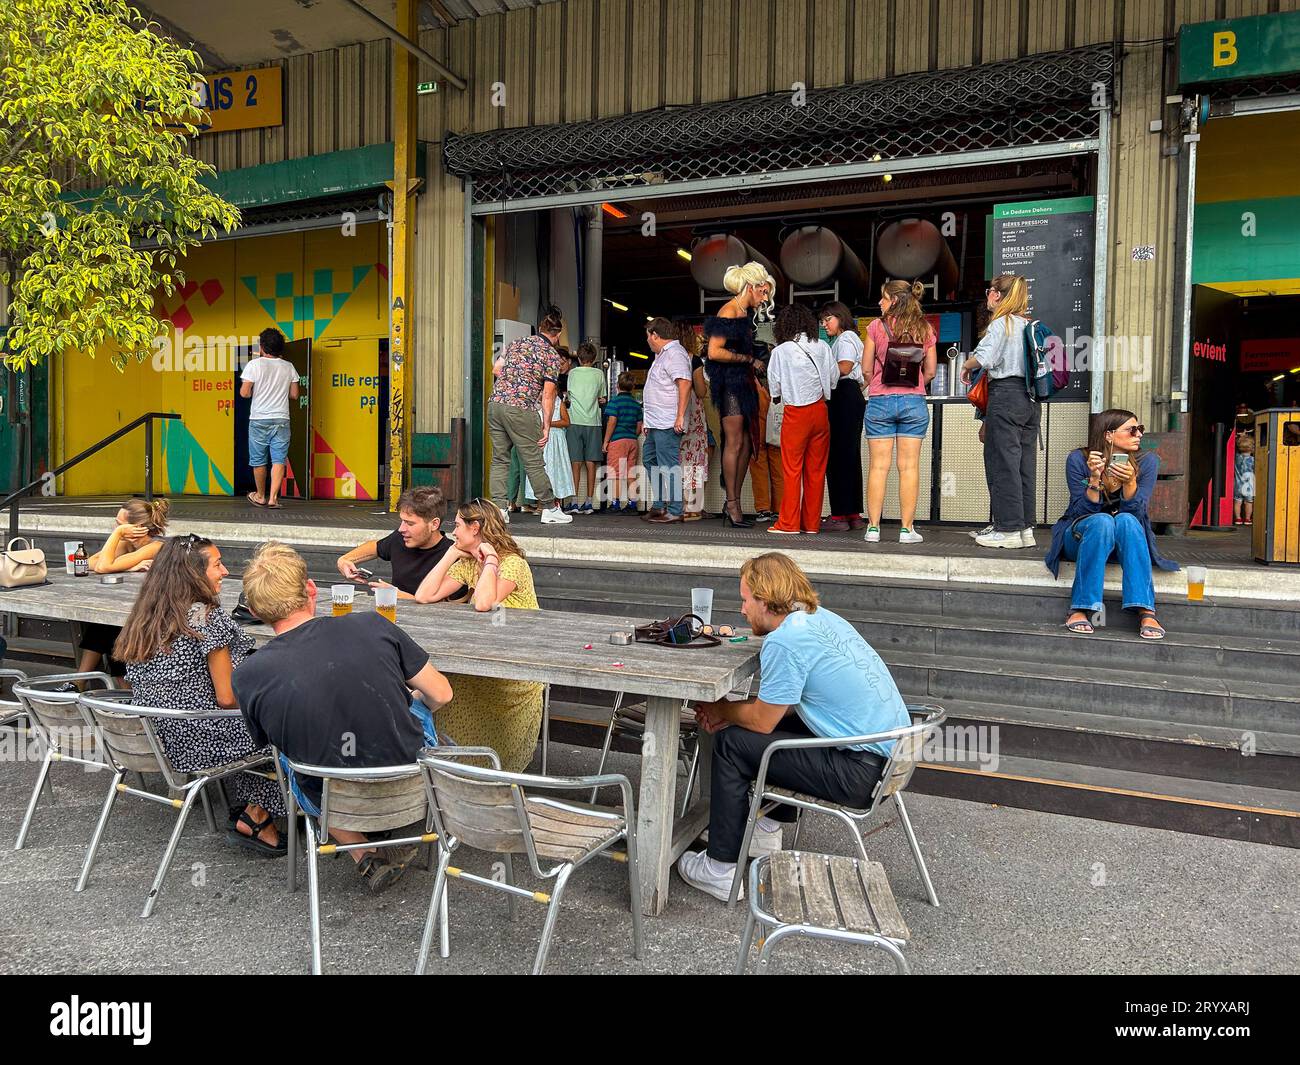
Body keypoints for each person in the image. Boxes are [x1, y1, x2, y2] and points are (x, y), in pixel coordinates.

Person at [677, 553, 909, 901]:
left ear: (766, 600)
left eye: (745, 600)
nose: (742, 610)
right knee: (776, 730)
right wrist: (730, 711)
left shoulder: (784, 642)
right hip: (891, 758)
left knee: (731, 743)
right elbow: (787, 707)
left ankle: (720, 869)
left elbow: (763, 719)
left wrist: (722, 711)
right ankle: (767, 828)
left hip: (859, 772)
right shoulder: (823, 619)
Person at [234, 542, 454, 893]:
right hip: (410, 782)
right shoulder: (373, 624)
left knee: (289, 758)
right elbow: (442, 694)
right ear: (311, 591)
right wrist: (407, 702)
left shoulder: (247, 674)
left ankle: (363, 852)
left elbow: (270, 741)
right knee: (418, 700)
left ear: (257, 611)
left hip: (327, 794)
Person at [114, 535, 287, 855]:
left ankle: (249, 804)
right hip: (197, 738)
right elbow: (226, 698)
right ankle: (257, 815)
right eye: (218, 564)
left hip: (151, 737)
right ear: (193, 574)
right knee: (277, 722)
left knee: (259, 715)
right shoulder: (207, 616)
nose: (225, 572)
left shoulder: (146, 614)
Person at [413, 499, 544, 772]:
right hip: (479, 658)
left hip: (513, 670)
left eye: (458, 525)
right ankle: (449, 770)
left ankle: (477, 771)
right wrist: (450, 554)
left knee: (433, 685)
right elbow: (424, 596)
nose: (453, 532)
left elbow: (485, 603)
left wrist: (491, 559)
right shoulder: (467, 563)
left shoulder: (511, 564)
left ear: (476, 528)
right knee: (434, 684)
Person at [1045, 410, 1177, 640]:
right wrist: (1095, 479)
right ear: (1108, 435)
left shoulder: (1147, 462)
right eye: (1131, 430)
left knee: (1125, 520)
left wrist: (1130, 482)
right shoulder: (1079, 459)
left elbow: (1136, 513)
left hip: (1126, 540)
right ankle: (1081, 607)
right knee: (1102, 521)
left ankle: (1146, 609)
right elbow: (1080, 511)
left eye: (1140, 429)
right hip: (1081, 536)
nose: (1139, 435)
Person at [961, 275, 1038, 549]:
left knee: (1003, 463)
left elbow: (984, 359)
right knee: (1023, 466)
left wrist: (966, 365)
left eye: (989, 292)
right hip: (1030, 399)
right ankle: (1025, 528)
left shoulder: (1001, 324)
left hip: (1005, 394)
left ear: (996, 295)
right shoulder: (1029, 325)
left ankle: (1007, 529)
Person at [862, 281, 936, 544]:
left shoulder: (875, 327)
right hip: (913, 402)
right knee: (909, 468)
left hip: (880, 402)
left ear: (893, 300)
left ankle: (873, 528)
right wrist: (914, 384)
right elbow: (930, 372)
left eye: (882, 298)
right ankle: (906, 530)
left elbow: (867, 370)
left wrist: (879, 383)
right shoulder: (925, 329)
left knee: (878, 467)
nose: (879, 303)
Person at [705, 262, 775, 528]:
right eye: (764, 291)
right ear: (751, 287)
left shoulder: (741, 312)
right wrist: (748, 359)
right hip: (731, 383)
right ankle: (732, 504)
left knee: (746, 444)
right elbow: (713, 351)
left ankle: (732, 502)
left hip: (741, 383)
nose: (766, 297)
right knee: (735, 443)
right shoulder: (731, 310)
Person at [487, 306, 573, 525]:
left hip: (496, 405)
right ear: (557, 334)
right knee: (534, 460)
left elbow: (497, 370)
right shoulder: (551, 356)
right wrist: (545, 425)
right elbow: (548, 394)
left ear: (541, 328)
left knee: (499, 459)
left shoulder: (516, 344)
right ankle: (549, 507)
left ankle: (499, 508)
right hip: (521, 408)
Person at [76, 498, 171, 680]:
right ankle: (81, 680)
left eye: (120, 525)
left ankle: (83, 680)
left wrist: (118, 535)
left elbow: (103, 567)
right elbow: (89, 563)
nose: (116, 528)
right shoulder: (128, 544)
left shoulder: (156, 546)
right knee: (104, 622)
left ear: (139, 527)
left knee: (112, 627)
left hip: (159, 614)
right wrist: (127, 567)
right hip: (133, 608)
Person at [764, 303, 837, 536]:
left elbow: (774, 388)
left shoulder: (780, 351)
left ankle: (789, 523)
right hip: (820, 411)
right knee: (816, 471)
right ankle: (811, 524)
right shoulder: (823, 346)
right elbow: (833, 379)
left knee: (792, 470)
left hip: (796, 413)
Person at [335, 485, 462, 601]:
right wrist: (345, 559)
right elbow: (376, 546)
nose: (401, 529)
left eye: (410, 523)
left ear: (434, 524)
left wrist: (396, 594)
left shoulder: (453, 555)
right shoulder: (400, 538)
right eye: (402, 521)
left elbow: (446, 608)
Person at [640, 318, 693, 524]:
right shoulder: (662, 355)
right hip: (656, 422)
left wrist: (679, 416)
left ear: (655, 335)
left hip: (667, 421)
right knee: (649, 460)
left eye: (648, 337)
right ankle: (660, 505)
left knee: (669, 465)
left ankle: (675, 509)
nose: (648, 341)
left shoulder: (675, 354)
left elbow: (685, 384)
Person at [819, 302, 867, 531]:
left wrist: (820, 376)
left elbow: (845, 367)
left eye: (828, 318)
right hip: (853, 396)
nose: (824, 324)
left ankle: (839, 515)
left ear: (840, 317)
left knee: (836, 456)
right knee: (849, 456)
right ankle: (853, 514)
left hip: (842, 395)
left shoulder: (845, 338)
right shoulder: (853, 339)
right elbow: (865, 374)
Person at [241, 328, 300, 509]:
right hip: (281, 418)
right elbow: (295, 395)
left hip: (259, 418)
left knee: (259, 460)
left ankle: (260, 495)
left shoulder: (254, 365)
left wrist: (254, 390)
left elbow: (244, 393)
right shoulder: (288, 366)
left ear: (262, 346)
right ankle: (274, 498)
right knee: (278, 460)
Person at [674, 319, 710, 521]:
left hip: (672, 413)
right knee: (694, 460)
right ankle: (693, 506)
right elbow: (701, 390)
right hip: (693, 414)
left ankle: (676, 505)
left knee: (677, 459)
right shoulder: (693, 359)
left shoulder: (664, 359)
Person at [565, 342, 607, 514]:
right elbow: (602, 398)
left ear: (579, 358)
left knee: (575, 463)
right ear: (595, 358)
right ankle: (589, 502)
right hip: (593, 422)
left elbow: (569, 396)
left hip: (574, 421)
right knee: (591, 464)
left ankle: (574, 502)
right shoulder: (599, 374)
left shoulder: (572, 373)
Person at [602, 373, 643, 513]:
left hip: (617, 441)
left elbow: (612, 421)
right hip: (632, 441)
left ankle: (615, 503)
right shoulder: (636, 405)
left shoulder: (614, 402)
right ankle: (632, 504)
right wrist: (631, 435)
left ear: (617, 386)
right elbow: (639, 427)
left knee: (616, 473)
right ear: (632, 388)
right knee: (631, 473)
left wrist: (606, 441)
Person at [526, 391, 576, 505]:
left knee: (556, 469)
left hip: (556, 439)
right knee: (541, 468)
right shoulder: (535, 403)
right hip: (541, 438)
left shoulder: (559, 403)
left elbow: (566, 421)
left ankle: (556, 503)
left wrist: (547, 423)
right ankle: (541, 503)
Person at [748, 367, 783, 522]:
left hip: (757, 401)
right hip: (778, 403)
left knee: (758, 457)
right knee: (778, 459)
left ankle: (763, 508)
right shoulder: (782, 355)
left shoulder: (750, 370)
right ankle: (780, 508)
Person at [1234, 433, 1255, 526]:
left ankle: (1238, 518)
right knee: (1248, 502)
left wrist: (1241, 437)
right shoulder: (1253, 460)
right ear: (1252, 448)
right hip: (1249, 486)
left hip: (1238, 484)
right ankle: (1247, 519)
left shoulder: (1236, 458)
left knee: (1238, 502)